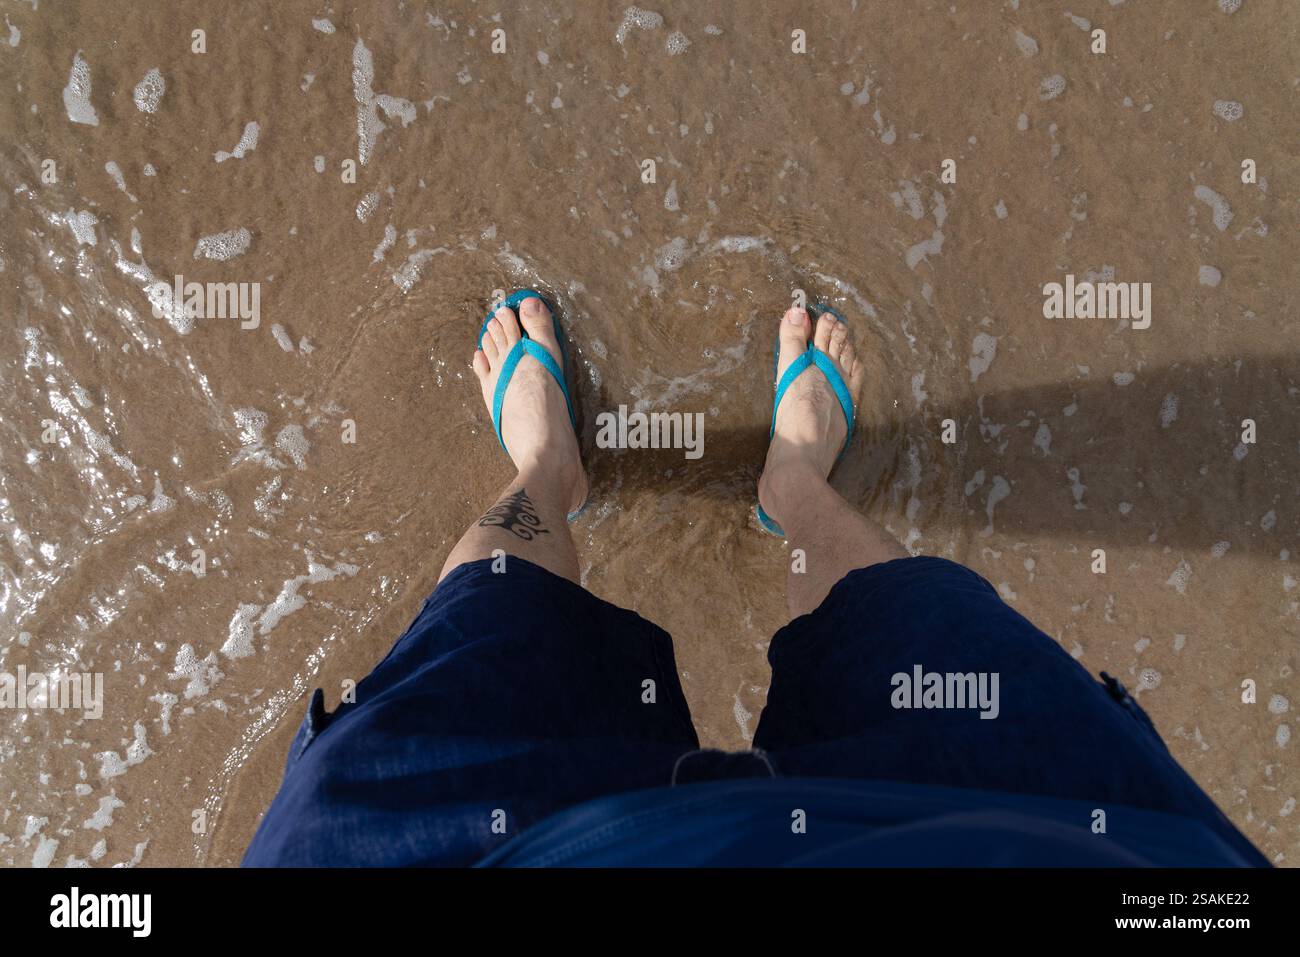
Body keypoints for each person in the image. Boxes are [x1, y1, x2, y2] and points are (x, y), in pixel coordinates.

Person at [242, 291, 1267, 867]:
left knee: (486, 626)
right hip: (1009, 840)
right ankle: (795, 489)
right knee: (913, 626)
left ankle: (547, 472)